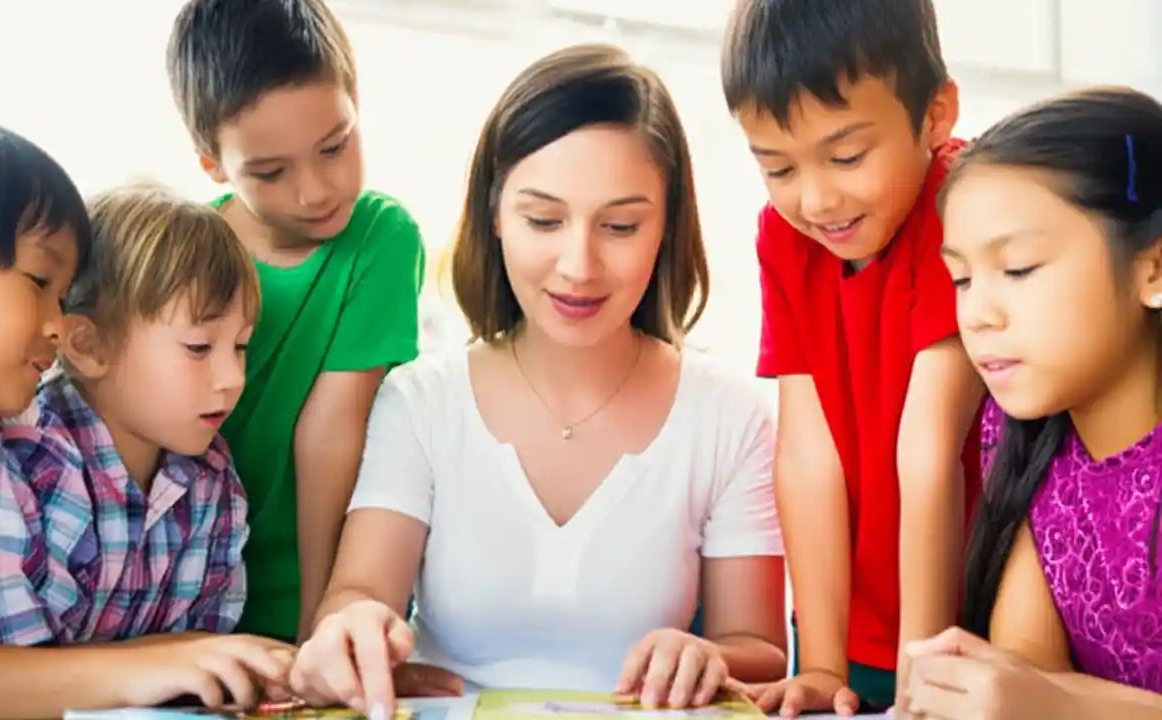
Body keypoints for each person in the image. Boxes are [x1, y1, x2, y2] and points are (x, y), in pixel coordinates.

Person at [288, 43, 787, 720]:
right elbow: (357, 594)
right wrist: (351, 633)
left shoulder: (728, 416)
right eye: (543, 220)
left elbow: (756, 645)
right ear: (494, 213)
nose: (578, 265)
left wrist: (711, 657)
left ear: (667, 226)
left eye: (620, 226)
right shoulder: (421, 402)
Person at [720, 0, 985, 714]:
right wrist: (823, 664)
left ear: (934, 115)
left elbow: (930, 448)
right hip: (853, 630)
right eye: (777, 167)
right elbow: (808, 458)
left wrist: (918, 684)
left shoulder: (965, 202)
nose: (816, 199)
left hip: (970, 636)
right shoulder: (784, 237)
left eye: (845, 157)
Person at [167, 0, 426, 644]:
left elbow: (330, 432)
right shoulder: (183, 252)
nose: (315, 190)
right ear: (212, 164)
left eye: (335, 146)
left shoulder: (380, 237)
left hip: (321, 585)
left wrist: (321, 622)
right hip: (178, 599)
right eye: (271, 172)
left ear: (356, 106)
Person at [902, 87, 1162, 719]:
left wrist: (1060, 706)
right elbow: (1026, 667)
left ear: (1153, 270)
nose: (977, 315)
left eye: (1017, 269)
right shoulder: (1030, 438)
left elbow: (1043, 696)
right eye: (962, 278)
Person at [0, 185, 259, 647]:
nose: (232, 378)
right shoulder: (21, 461)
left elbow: (202, 662)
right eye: (199, 347)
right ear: (87, 346)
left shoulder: (215, 485)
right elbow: (3, 676)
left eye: (241, 346)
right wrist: (166, 662)